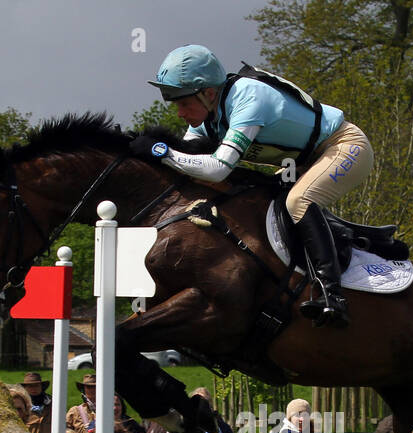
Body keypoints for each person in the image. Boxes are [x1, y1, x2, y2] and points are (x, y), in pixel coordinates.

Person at [135, 44, 373, 327]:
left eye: (184, 103)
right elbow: (189, 163)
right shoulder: (207, 118)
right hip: (302, 163)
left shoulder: (248, 97)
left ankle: (332, 295)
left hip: (344, 147)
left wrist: (163, 152)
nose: (179, 113)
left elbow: (217, 169)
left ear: (208, 93)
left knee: (299, 202)